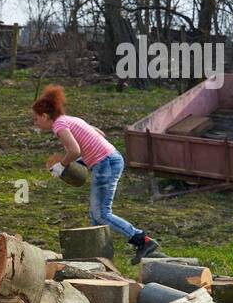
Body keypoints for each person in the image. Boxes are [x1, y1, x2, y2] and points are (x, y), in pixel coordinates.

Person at [31, 84, 161, 264]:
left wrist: (62, 165)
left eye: (36, 119)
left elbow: (75, 150)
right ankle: (100, 258)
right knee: (96, 215)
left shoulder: (59, 125)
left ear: (45, 116)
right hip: (108, 160)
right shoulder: (69, 119)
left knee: (101, 213)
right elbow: (98, 133)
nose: (35, 123)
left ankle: (142, 240)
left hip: (106, 163)